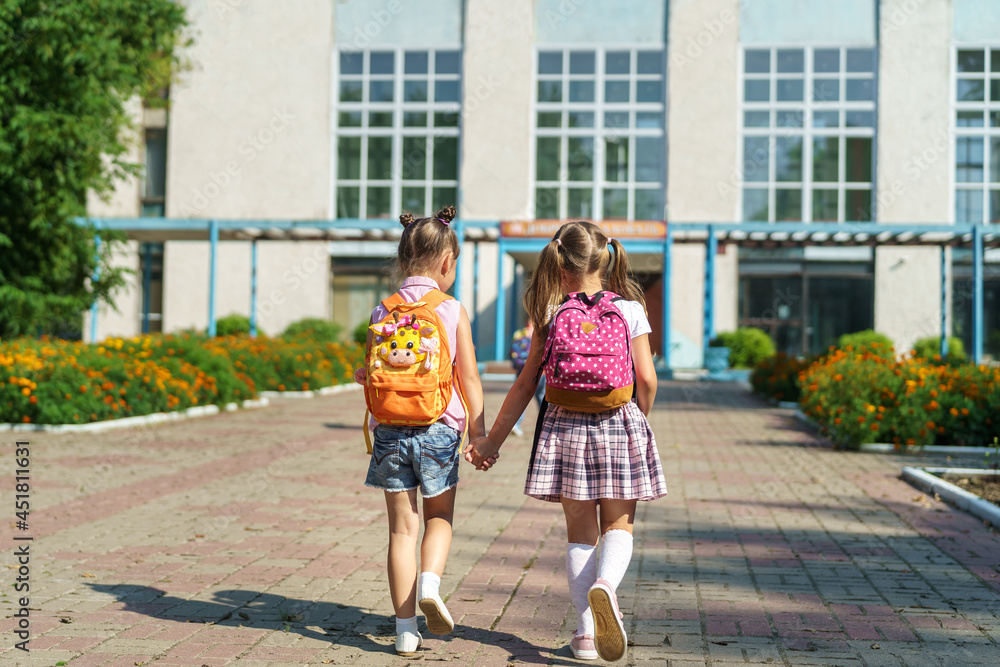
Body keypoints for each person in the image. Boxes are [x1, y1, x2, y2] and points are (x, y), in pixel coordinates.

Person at [465, 221, 667, 662]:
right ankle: (606, 587)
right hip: (618, 422)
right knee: (619, 525)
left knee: (580, 533)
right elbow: (647, 380)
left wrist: (489, 442)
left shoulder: (551, 313)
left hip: (565, 428)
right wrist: (637, 420)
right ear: (605, 259)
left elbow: (523, 387)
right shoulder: (631, 308)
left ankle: (586, 635)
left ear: (560, 264)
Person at [354, 206, 494, 655]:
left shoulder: (383, 308)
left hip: (390, 431)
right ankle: (431, 584)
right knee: (439, 518)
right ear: (446, 263)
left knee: (401, 532)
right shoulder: (451, 309)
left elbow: (373, 370)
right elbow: (469, 377)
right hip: (437, 430)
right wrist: (479, 432)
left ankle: (404, 630)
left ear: (402, 259)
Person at [508, 322, 545, 436]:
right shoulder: (541, 333)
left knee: (522, 398)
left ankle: (516, 424)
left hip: (523, 371)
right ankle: (546, 424)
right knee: (542, 400)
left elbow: (512, 352)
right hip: (540, 372)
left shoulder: (519, 334)